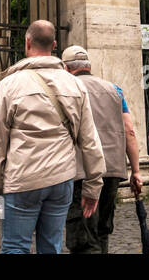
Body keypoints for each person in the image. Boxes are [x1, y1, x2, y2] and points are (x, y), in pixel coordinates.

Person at [0, 20, 105, 254]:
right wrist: (93, 187)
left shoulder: (9, 85)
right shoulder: (75, 85)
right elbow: (90, 142)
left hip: (22, 180)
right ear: (55, 45)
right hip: (61, 180)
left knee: (15, 246)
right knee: (51, 247)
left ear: (27, 42)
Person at [61, 45, 143, 254]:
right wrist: (136, 171)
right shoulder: (115, 90)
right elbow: (129, 130)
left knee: (83, 237)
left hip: (82, 172)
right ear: (88, 66)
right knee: (102, 231)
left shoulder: (67, 89)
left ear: (66, 67)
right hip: (111, 171)